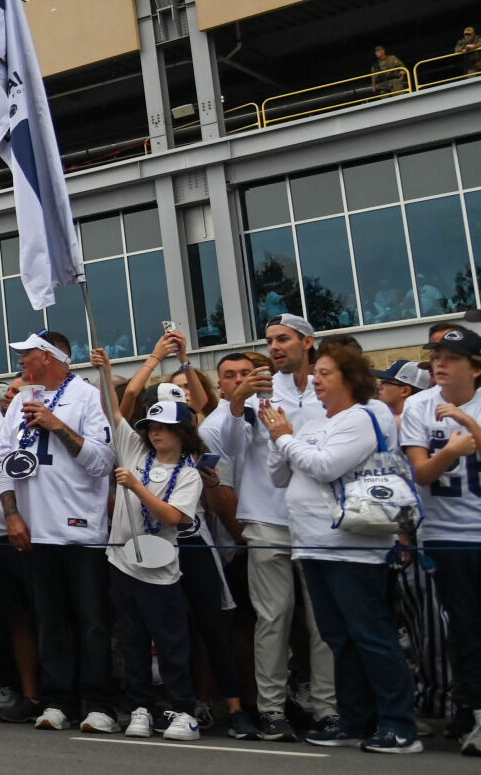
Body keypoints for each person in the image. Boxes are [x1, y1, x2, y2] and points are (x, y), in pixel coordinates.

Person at [261, 341, 420, 753]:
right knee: (338, 638)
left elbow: (325, 465)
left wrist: (287, 442)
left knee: (371, 635)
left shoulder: (365, 415)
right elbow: (279, 476)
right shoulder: (314, 426)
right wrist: (279, 437)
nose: (316, 380)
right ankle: (355, 719)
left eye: (325, 373)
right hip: (312, 545)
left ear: (350, 379)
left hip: (354, 548)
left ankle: (400, 725)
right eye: (316, 375)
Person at [200, 314, 336, 741]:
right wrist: (237, 404)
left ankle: (327, 708)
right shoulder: (259, 390)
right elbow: (226, 450)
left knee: (321, 621)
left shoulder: (324, 388)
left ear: (307, 343)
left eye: (284, 339)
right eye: (270, 340)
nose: (275, 346)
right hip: (265, 519)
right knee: (271, 619)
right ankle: (272, 709)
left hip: (319, 520)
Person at [0, 331, 117, 732]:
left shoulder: (87, 395)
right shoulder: (19, 403)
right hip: (35, 529)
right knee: (49, 621)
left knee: (92, 620)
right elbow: (2, 460)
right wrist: (12, 514)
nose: (21, 362)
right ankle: (58, 700)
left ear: (48, 356)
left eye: (27, 355)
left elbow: (102, 461)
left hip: (82, 530)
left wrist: (57, 425)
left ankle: (99, 703)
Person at [92, 354, 205, 742]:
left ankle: (183, 710)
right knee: (133, 640)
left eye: (164, 428)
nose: (155, 434)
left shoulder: (189, 474)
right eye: (151, 427)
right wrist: (106, 372)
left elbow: (175, 517)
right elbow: (115, 407)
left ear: (182, 431)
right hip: (122, 561)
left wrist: (136, 487)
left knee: (171, 642)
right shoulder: (136, 452)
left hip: (160, 569)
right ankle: (140, 707)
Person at [402, 325, 481, 755]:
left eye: (450, 357)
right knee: (465, 630)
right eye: (435, 356)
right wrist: (450, 451)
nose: (440, 363)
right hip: (447, 534)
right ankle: (474, 714)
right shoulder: (419, 405)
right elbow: (421, 474)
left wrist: (469, 424)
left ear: (476, 367)